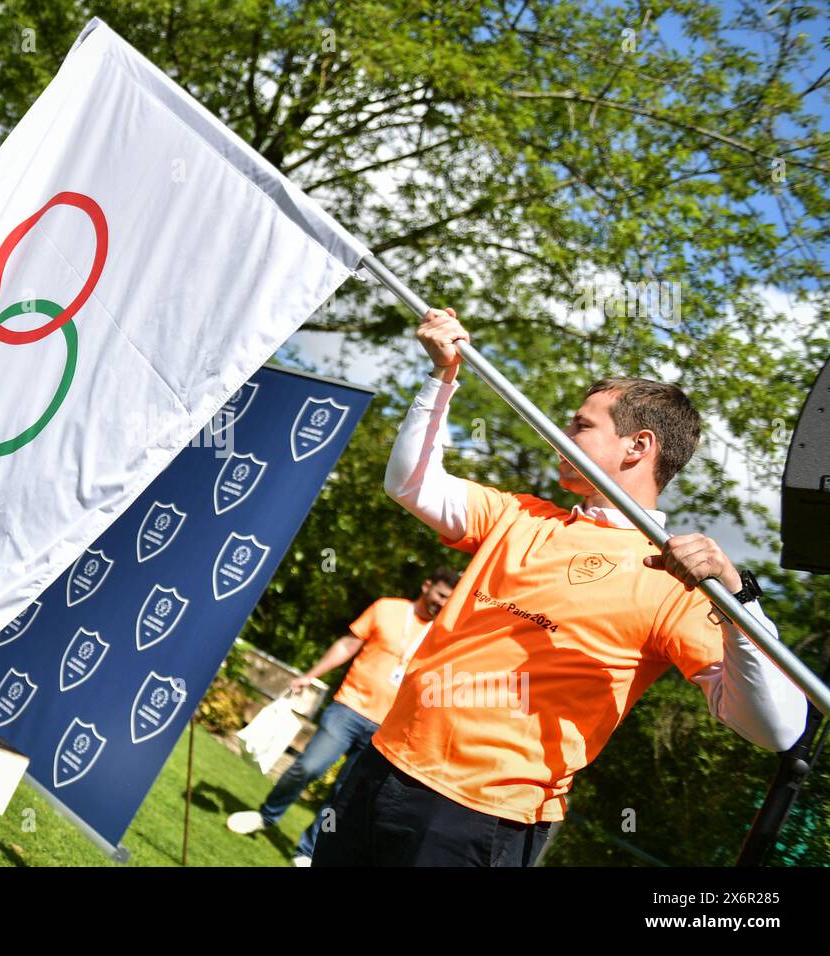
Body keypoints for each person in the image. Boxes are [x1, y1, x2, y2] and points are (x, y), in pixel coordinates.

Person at [311, 307, 807, 867]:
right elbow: (410, 482)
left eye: (581, 424)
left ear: (637, 446)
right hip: (384, 763)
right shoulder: (522, 515)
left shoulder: (680, 578)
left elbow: (778, 728)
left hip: (480, 816)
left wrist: (740, 595)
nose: (561, 433)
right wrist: (441, 376)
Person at [226, 568, 460, 866]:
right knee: (308, 767)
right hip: (349, 707)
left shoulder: (441, 634)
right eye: (440, 594)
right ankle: (266, 815)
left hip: (386, 728)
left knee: (342, 796)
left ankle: (308, 850)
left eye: (449, 600)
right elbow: (348, 644)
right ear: (427, 585)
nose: (442, 603)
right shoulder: (388, 608)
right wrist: (309, 676)